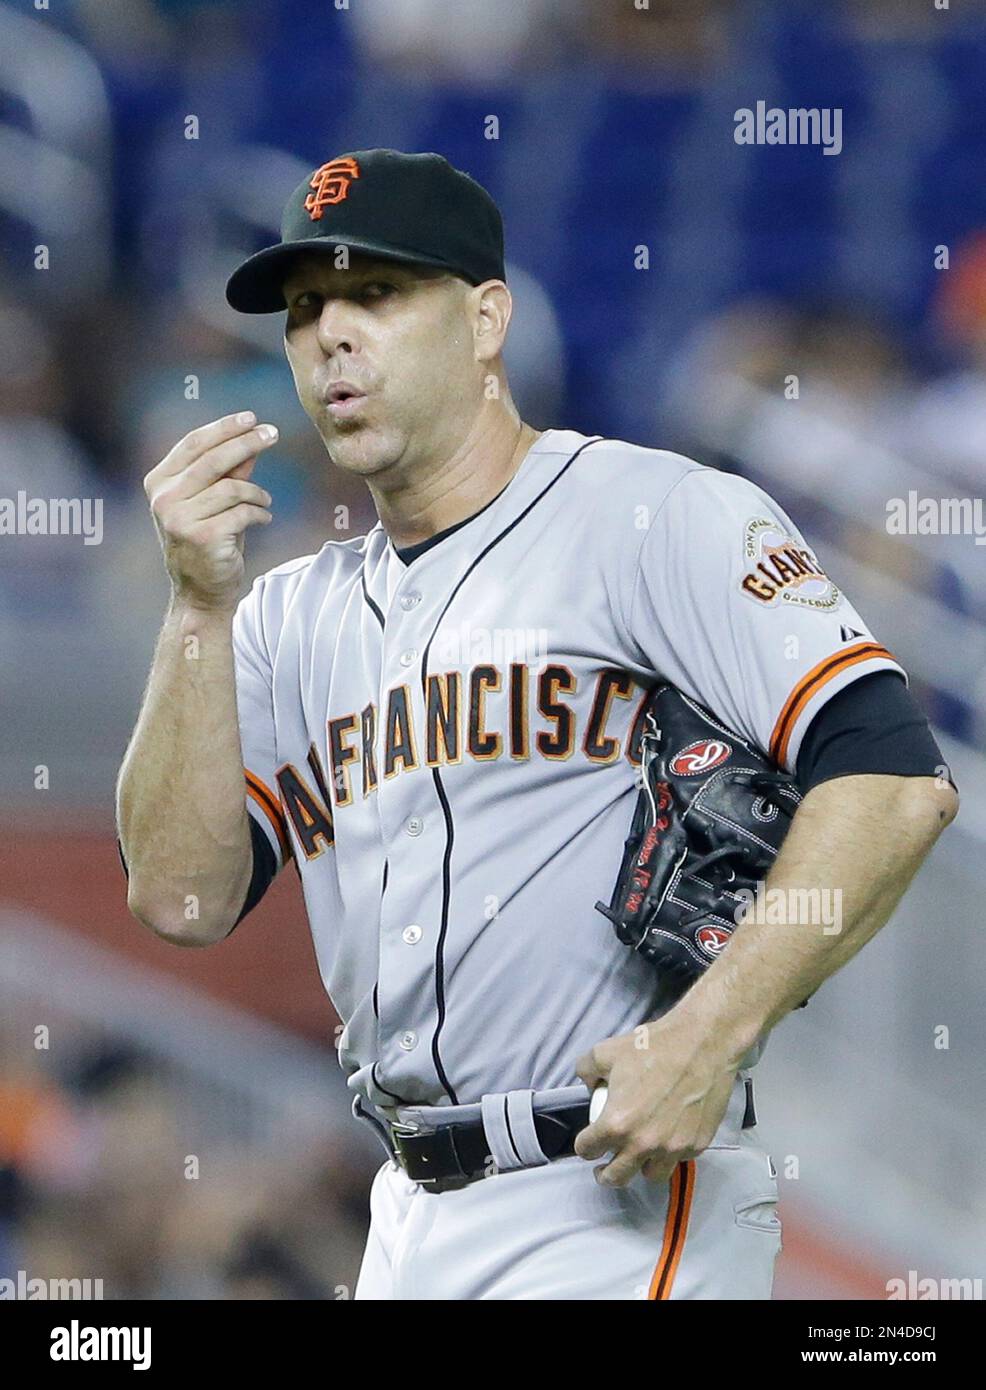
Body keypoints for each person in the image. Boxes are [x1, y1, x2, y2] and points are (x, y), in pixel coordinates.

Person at [117, 149, 957, 1300]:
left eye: (375, 293)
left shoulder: (649, 514)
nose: (329, 337)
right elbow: (181, 897)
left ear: (484, 319)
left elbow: (894, 778)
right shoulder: (279, 617)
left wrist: (710, 1032)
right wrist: (194, 605)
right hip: (406, 1206)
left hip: (610, 1187)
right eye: (305, 309)